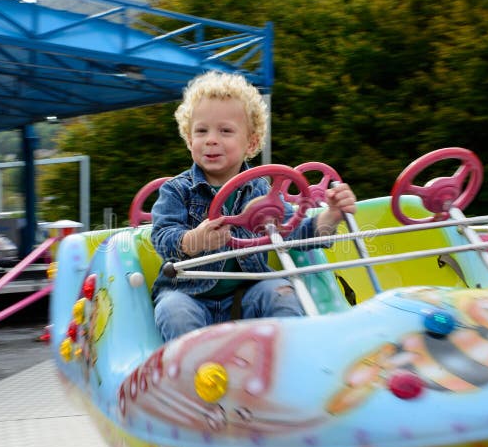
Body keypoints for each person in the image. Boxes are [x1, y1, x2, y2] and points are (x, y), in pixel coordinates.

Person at [150, 70, 357, 342]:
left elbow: (293, 234)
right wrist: (192, 240)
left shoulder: (262, 189)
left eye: (225, 130)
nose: (211, 139)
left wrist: (332, 215)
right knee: (172, 310)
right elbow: (161, 237)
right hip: (188, 295)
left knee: (281, 293)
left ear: (251, 142)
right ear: (190, 140)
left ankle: (285, 365)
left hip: (249, 293)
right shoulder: (176, 190)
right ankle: (195, 378)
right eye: (201, 131)